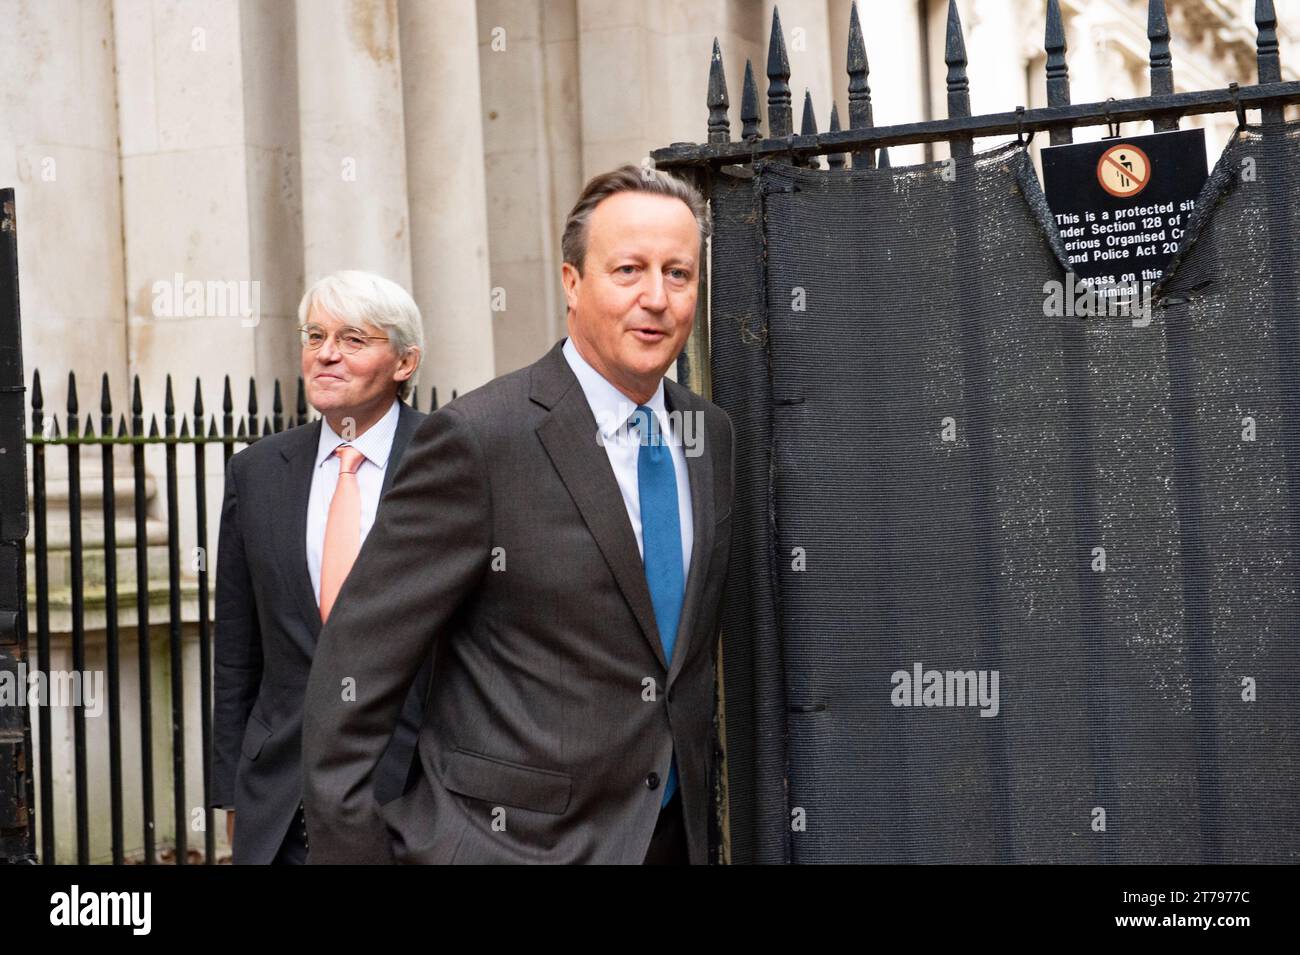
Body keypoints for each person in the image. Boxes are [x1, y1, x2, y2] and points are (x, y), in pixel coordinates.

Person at [302, 164, 736, 864]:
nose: (656, 297)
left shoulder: (710, 436)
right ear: (572, 282)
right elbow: (351, 676)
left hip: (666, 842)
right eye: (628, 269)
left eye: (678, 274)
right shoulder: (479, 439)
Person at [210, 270, 434, 864]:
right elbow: (237, 648)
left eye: (354, 339)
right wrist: (233, 792)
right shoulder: (256, 472)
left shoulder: (450, 463)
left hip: (414, 795)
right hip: (281, 802)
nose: (326, 354)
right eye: (314, 336)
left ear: (405, 363)